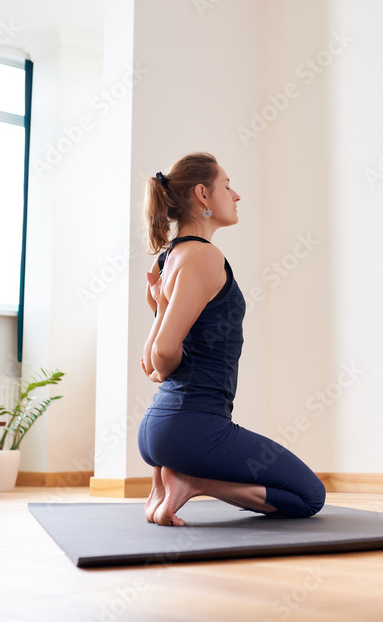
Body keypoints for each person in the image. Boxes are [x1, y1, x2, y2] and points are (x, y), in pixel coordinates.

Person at [137, 151, 326, 526]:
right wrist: (163, 361)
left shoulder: (167, 260)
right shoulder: (204, 257)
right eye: (227, 185)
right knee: (309, 497)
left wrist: (159, 323)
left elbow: (152, 364)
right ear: (203, 195)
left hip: (160, 427)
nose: (236, 195)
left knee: (295, 491)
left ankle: (177, 478)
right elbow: (160, 354)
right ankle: (192, 480)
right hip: (192, 427)